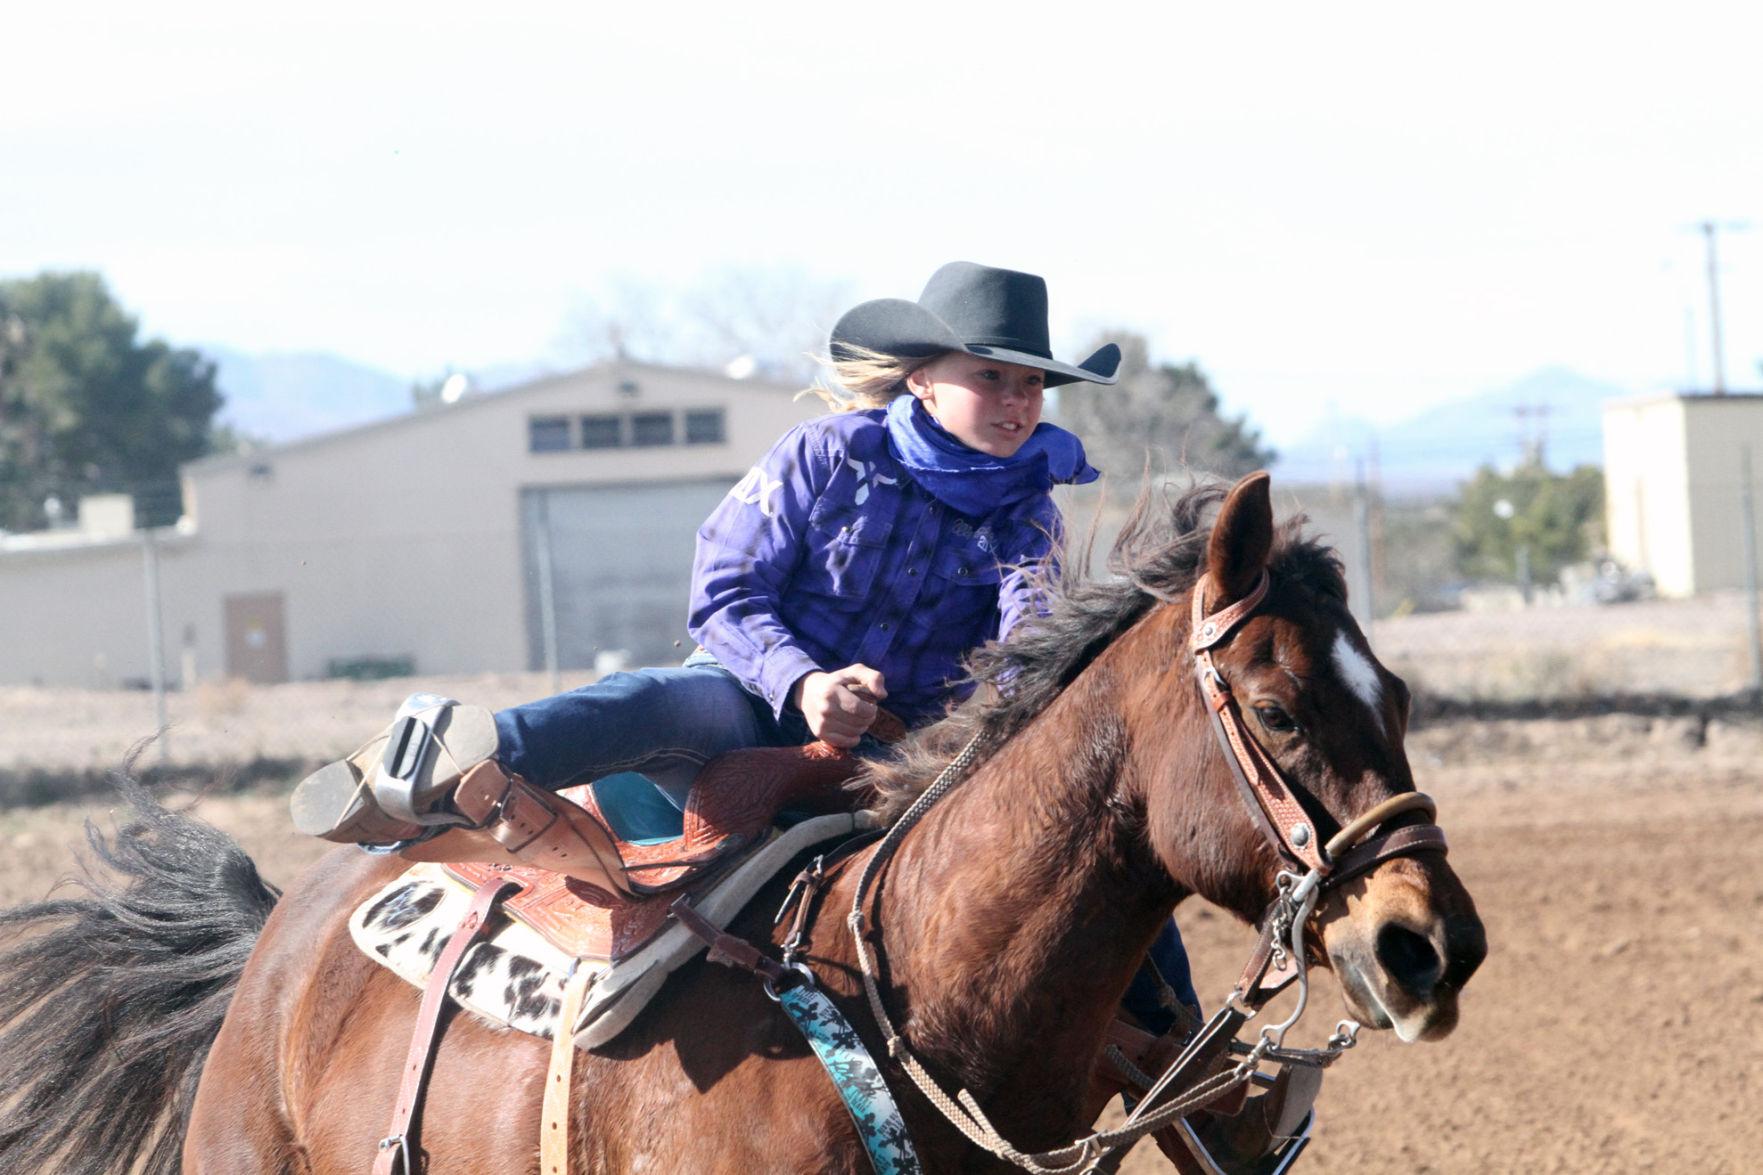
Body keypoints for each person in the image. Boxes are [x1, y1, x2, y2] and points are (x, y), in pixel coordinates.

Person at [288, 261, 1197, 1011]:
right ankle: (435, 772)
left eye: (1031, 381)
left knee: (1097, 852)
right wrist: (804, 684)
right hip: (753, 698)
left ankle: (1206, 1069)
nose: (1016, 400)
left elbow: (1025, 643)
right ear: (921, 377)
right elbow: (723, 593)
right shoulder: (826, 455)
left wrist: (993, 726)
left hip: (912, 751)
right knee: (653, 700)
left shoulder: (1027, 508)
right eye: (990, 375)